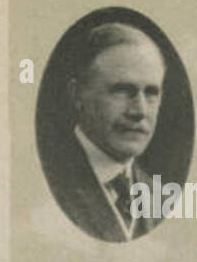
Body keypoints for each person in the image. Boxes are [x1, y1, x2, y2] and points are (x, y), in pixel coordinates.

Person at [47, 22, 167, 242]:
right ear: (77, 95)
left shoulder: (159, 196)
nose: (140, 111)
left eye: (151, 93)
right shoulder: (48, 180)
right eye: (122, 90)